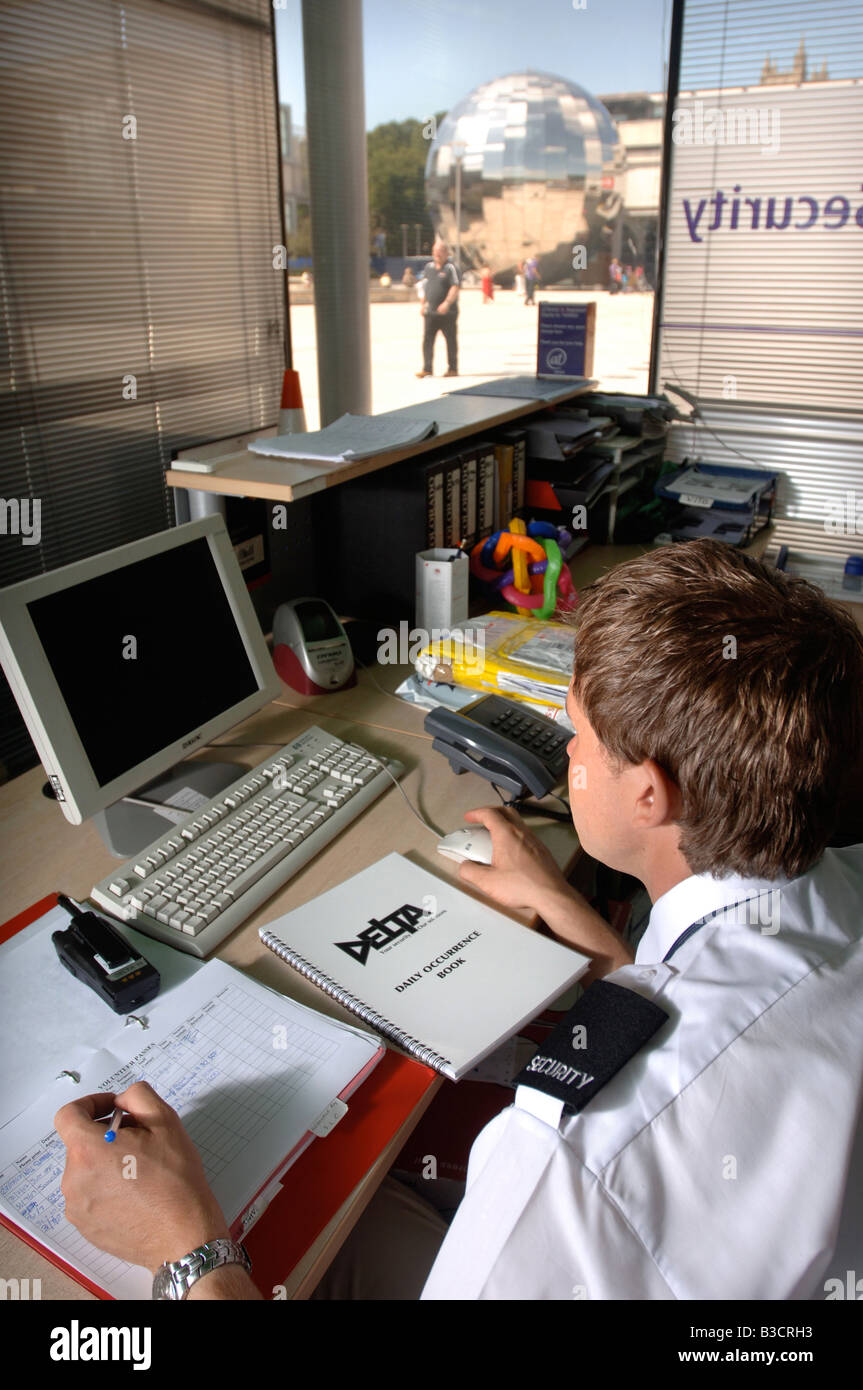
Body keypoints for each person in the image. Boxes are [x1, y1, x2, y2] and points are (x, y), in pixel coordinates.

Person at [56, 541, 863, 1300]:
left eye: (576, 738)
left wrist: (185, 1249)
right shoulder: (831, 887)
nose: (567, 757)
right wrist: (557, 901)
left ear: (649, 795)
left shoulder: (569, 1157)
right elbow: (685, 1009)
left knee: (301, 1236)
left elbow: (656, 1072)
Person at [415, 238, 460, 378]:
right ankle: (427, 368)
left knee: (450, 340)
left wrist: (447, 303)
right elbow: (424, 287)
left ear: (446, 253)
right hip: (431, 312)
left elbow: (455, 286)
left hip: (448, 313)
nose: (437, 254)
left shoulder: (450, 268)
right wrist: (423, 305)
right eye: (435, 251)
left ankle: (453, 368)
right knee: (427, 340)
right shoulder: (428, 267)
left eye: (440, 251)